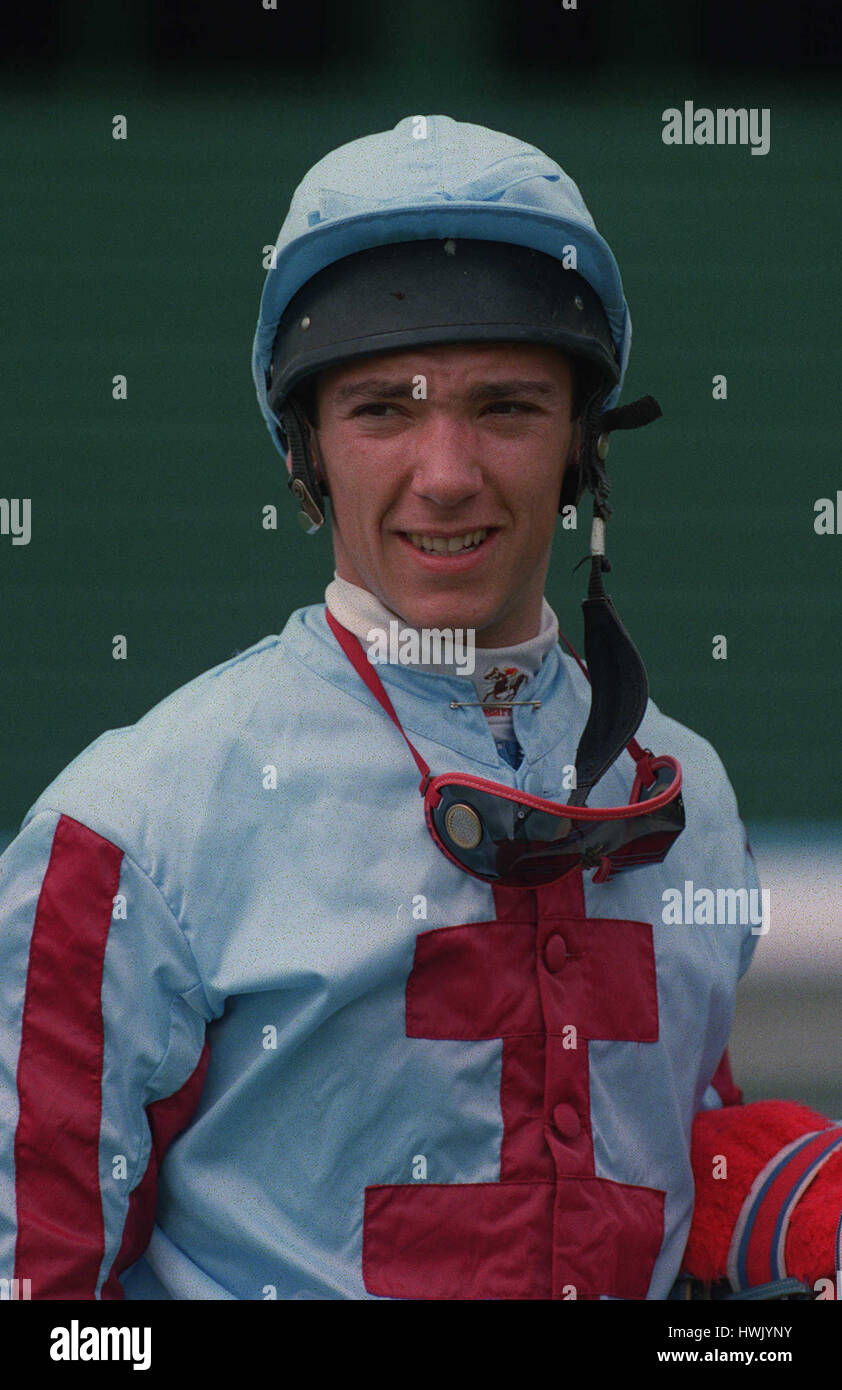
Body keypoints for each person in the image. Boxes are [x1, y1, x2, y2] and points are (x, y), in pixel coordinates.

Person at [1, 114, 840, 1302]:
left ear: (580, 450)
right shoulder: (130, 829)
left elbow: (654, 1160)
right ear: (304, 453)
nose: (445, 473)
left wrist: (783, 1207)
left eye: (504, 407)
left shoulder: (682, 795)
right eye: (383, 411)